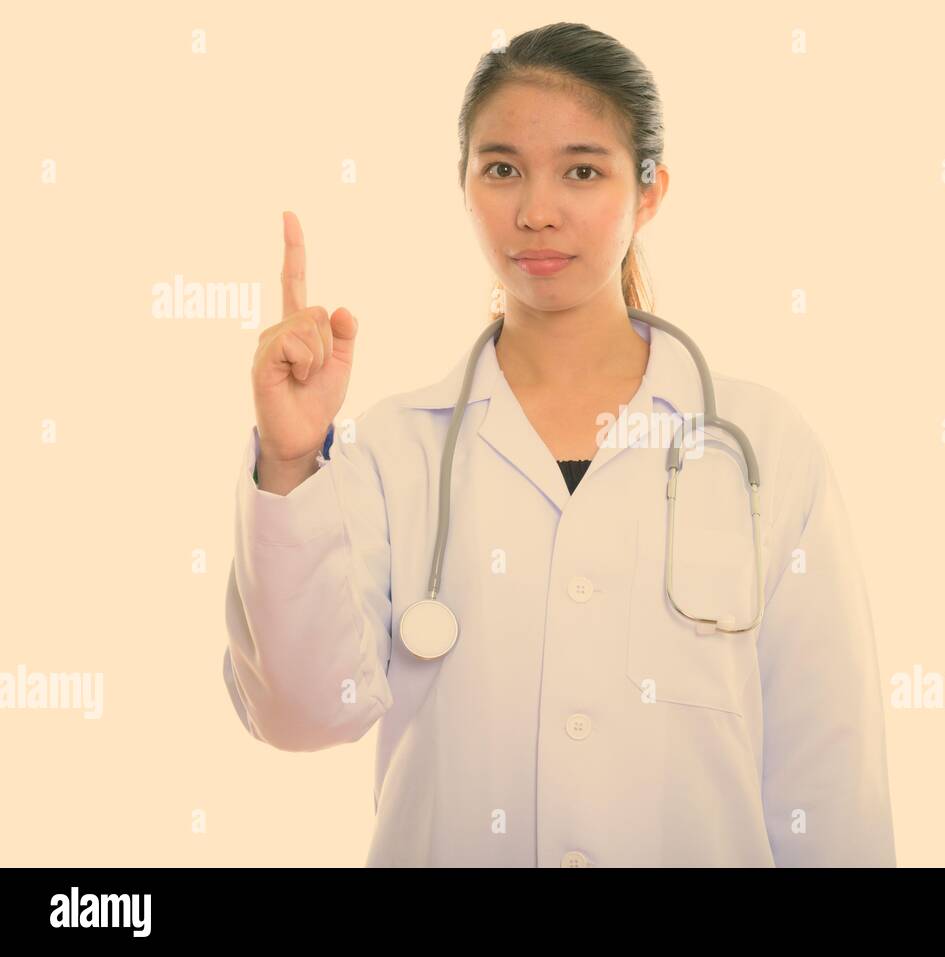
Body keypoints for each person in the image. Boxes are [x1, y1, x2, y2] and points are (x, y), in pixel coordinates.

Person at [222, 21, 895, 867]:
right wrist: (289, 461)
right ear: (463, 186)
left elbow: (831, 785)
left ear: (649, 192)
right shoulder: (393, 450)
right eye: (501, 169)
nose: (537, 212)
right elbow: (303, 715)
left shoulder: (763, 447)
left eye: (583, 170)